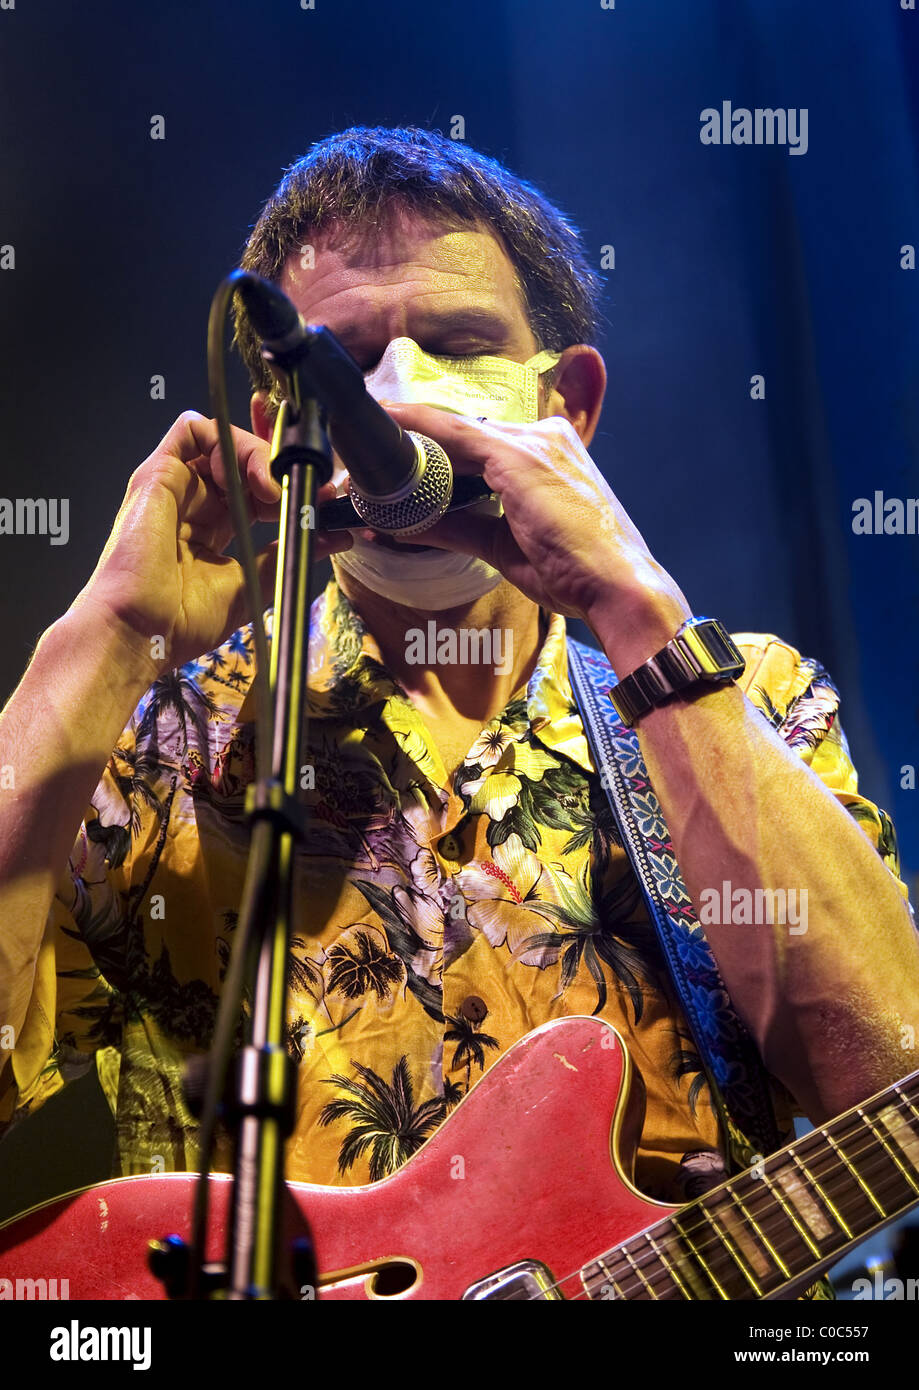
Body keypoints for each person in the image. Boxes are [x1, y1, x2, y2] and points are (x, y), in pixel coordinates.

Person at [0, 127, 916, 1216]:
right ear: (274, 430)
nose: (393, 397)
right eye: (338, 363)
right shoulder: (159, 739)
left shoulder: (744, 694)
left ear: (566, 405)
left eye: (456, 340)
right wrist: (103, 634)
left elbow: (888, 1096)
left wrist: (637, 607)